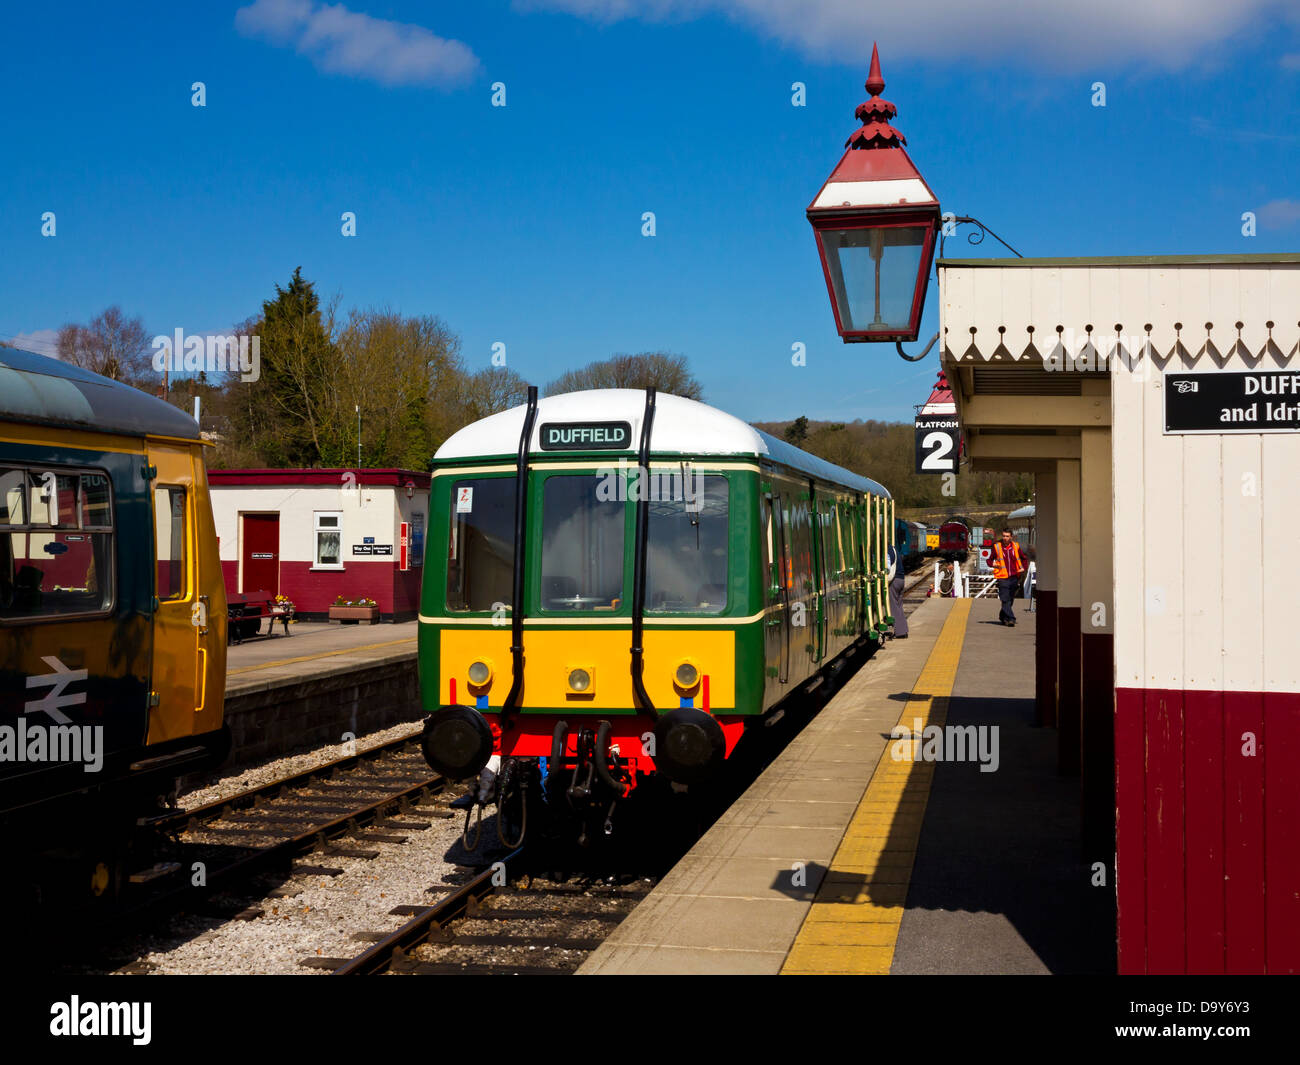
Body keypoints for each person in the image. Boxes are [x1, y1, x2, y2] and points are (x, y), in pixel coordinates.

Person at [990, 527, 1026, 626]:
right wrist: (993, 564)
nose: (1005, 538)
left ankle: (1003, 616)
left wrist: (1023, 568)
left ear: (1011, 537)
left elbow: (1024, 558)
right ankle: (1011, 618)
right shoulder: (997, 547)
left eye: (1007, 536)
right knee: (1005, 598)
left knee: (1010, 600)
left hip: (1014, 577)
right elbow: (989, 560)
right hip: (1002, 577)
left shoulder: (1016, 546)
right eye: (1004, 536)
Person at [887, 543, 908, 639]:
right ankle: (903, 630)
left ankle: (899, 632)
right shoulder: (894, 548)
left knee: (894, 607)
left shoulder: (888, 550)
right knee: (899, 606)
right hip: (901, 579)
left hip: (894, 581)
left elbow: (887, 567)